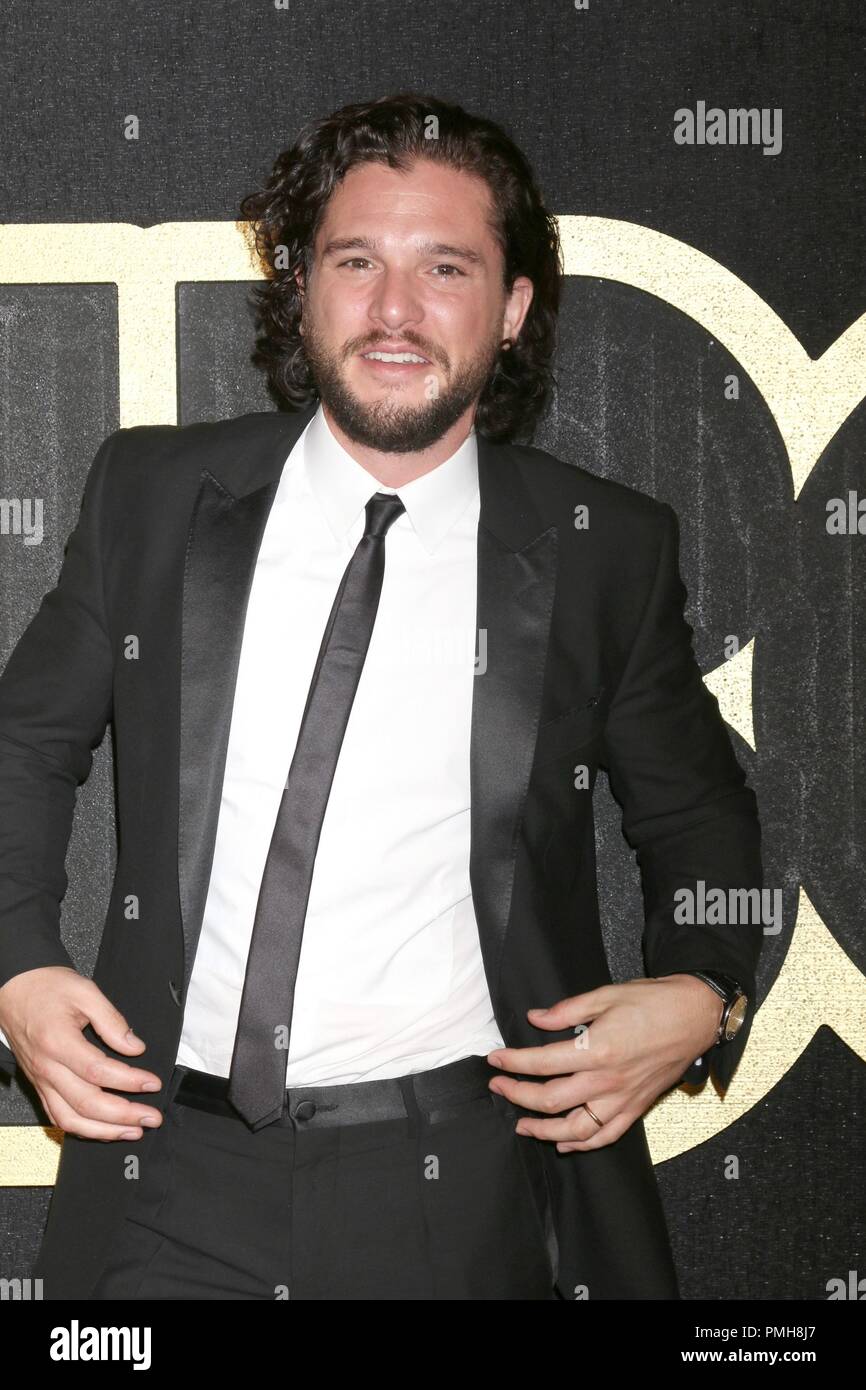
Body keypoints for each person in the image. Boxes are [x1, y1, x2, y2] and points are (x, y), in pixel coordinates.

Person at [0, 91, 762, 1300]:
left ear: (511, 311)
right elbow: (24, 743)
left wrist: (703, 990)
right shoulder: (150, 492)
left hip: (464, 1193)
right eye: (356, 261)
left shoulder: (599, 549)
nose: (394, 310)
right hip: (169, 1181)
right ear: (305, 287)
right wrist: (16, 963)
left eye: (444, 267)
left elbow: (693, 812)